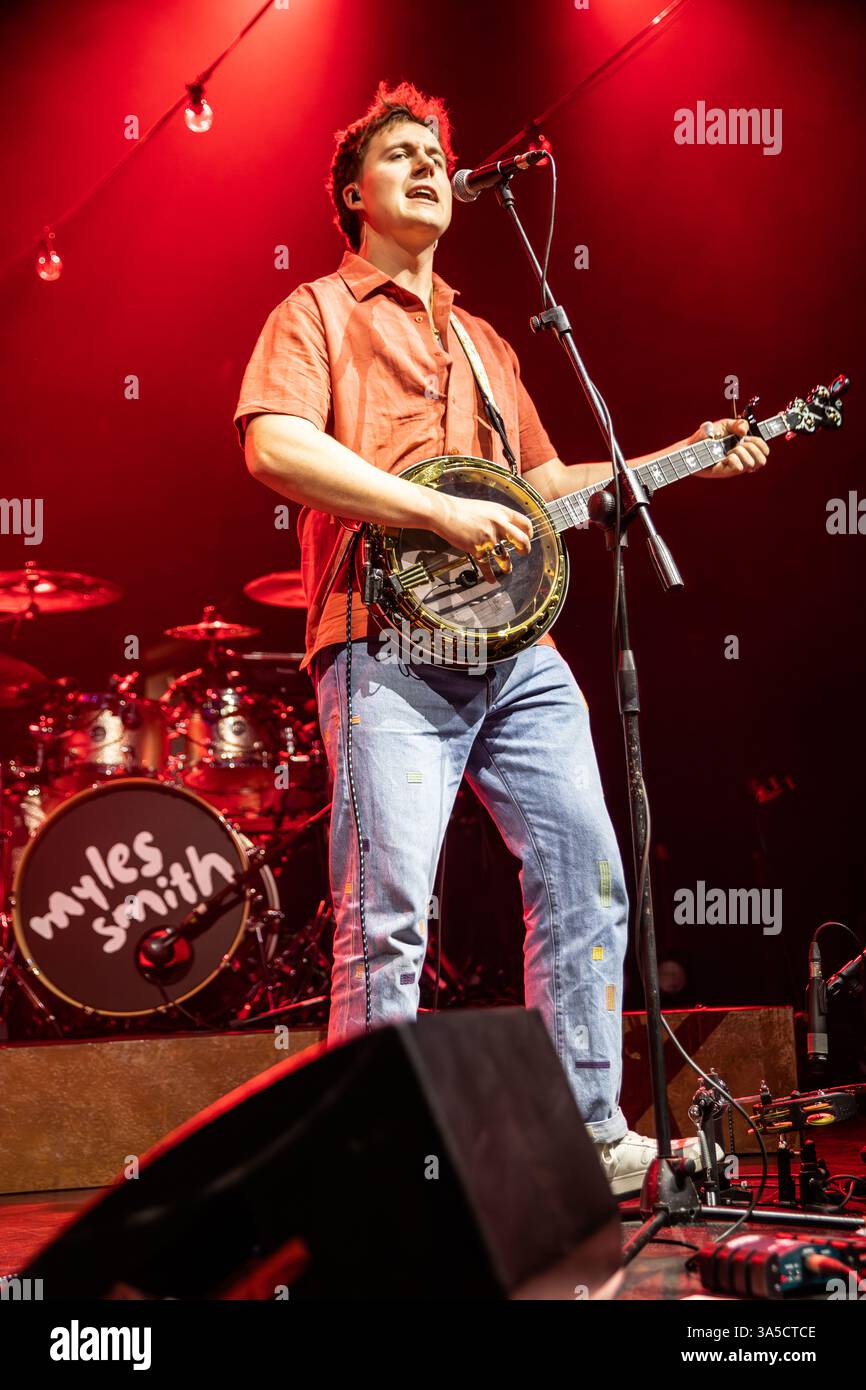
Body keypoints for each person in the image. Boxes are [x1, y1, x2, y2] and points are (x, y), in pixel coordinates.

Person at [234, 81, 769, 1197]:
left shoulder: (484, 341)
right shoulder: (315, 313)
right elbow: (275, 446)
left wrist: (679, 458)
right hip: (382, 642)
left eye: (435, 152)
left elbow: (538, 490)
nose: (427, 165)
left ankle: (585, 1126)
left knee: (587, 871)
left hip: (515, 653)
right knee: (385, 913)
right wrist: (427, 510)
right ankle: (367, 1152)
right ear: (352, 194)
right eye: (398, 156)